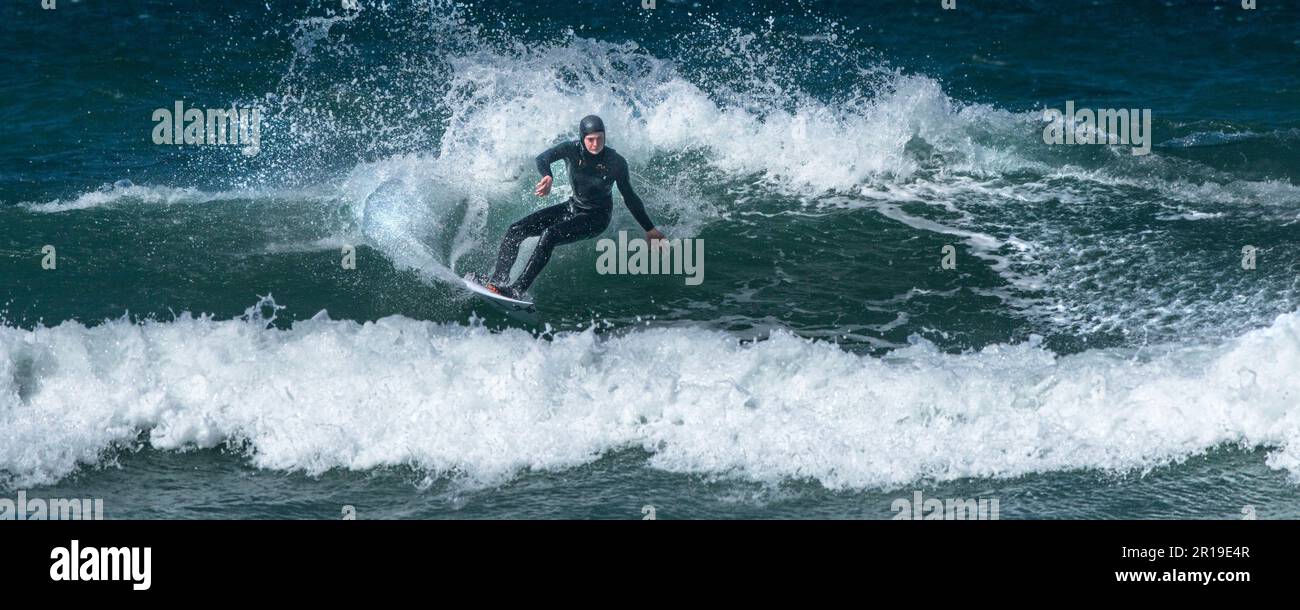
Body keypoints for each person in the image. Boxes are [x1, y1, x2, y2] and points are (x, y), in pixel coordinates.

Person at [485, 115, 666, 299]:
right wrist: (547, 176)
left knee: (550, 235)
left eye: (600, 138)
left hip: (597, 218)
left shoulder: (616, 162)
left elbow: (630, 197)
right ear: (582, 138)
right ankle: (498, 281)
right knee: (516, 229)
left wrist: (650, 229)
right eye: (590, 139)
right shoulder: (571, 149)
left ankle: (517, 290)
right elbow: (543, 158)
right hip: (574, 207)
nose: (595, 144)